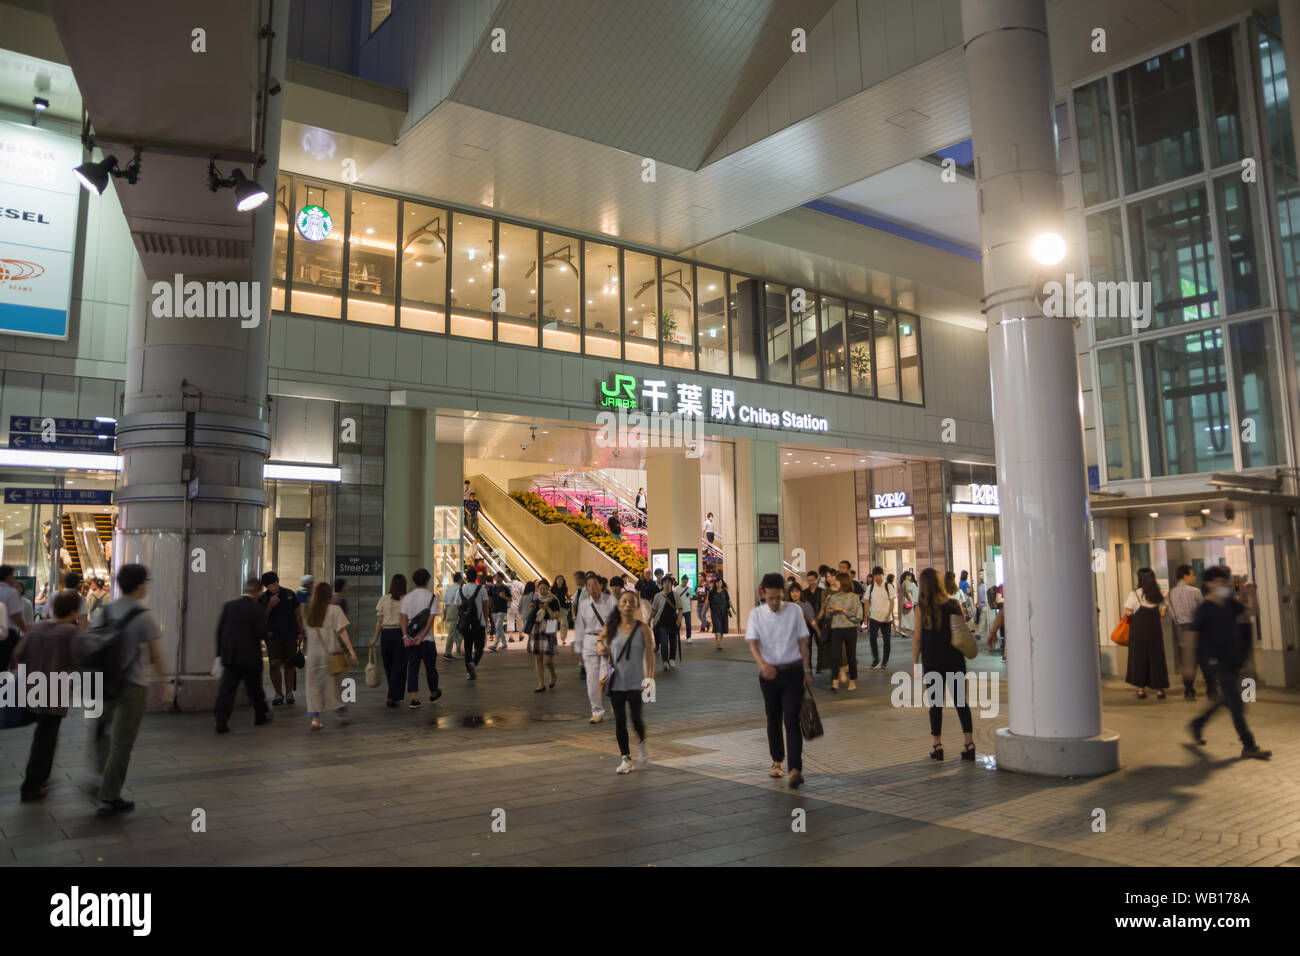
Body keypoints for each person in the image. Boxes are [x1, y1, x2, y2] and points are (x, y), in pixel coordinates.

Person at [93, 563, 168, 816]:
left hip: (103, 683)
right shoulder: (144, 615)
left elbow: (91, 646)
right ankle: (110, 795)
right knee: (122, 743)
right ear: (139, 585)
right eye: (145, 582)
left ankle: (100, 776)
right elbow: (156, 655)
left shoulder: (104, 611)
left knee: (102, 732)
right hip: (132, 686)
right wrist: (164, 684)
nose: (147, 586)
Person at [1188, 567, 1270, 759]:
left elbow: (1253, 612)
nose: (1224, 585)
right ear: (1209, 584)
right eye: (1220, 581)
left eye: (1225, 582)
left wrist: (1252, 594)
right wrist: (1189, 666)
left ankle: (1198, 723)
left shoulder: (1228, 603)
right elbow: (1191, 637)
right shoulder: (1204, 609)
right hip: (1217, 662)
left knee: (1230, 700)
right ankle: (1249, 745)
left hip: (1233, 659)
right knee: (1236, 703)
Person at [12, 589, 80, 801]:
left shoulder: (37, 627)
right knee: (45, 739)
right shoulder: (70, 632)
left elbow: (18, 654)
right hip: (53, 692)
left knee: (43, 736)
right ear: (75, 610)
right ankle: (32, 786)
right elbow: (79, 662)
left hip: (31, 688)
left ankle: (36, 781)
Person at [746, 572, 811, 789]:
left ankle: (795, 769)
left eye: (778, 597)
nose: (774, 602)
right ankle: (777, 760)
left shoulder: (794, 611)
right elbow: (753, 643)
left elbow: (803, 641)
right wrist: (762, 664)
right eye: (770, 597)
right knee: (773, 718)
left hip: (793, 672)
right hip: (769, 675)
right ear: (763, 593)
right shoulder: (756, 614)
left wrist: (806, 669)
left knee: (792, 719)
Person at [913, 567, 975, 761]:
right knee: (961, 703)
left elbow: (917, 639)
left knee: (935, 705)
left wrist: (915, 663)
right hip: (955, 660)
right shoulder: (954, 604)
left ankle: (937, 745)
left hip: (932, 662)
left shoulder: (921, 607)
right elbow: (963, 630)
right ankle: (969, 743)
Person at [597, 589, 656, 773]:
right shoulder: (612, 626)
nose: (628, 605)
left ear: (637, 605)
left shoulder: (642, 628)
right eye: (624, 601)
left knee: (636, 718)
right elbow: (600, 639)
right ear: (619, 605)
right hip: (616, 681)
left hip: (636, 681)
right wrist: (601, 647)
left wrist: (650, 677)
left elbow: (649, 653)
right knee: (620, 720)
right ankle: (626, 758)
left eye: (631, 602)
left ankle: (642, 742)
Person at [214, 578, 273, 732]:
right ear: (258, 592)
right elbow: (261, 632)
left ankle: (221, 722)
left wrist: (220, 654)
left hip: (231, 656)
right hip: (250, 657)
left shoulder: (229, 606)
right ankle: (260, 715)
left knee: (227, 691)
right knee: (254, 688)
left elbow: (220, 631)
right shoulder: (257, 608)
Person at [302, 581, 357, 730]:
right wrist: (351, 651)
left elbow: (306, 633)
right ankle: (340, 714)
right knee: (334, 687)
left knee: (312, 687)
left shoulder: (309, 611)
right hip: (330, 656)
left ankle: (314, 719)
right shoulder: (334, 610)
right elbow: (342, 631)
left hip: (313, 656)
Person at [1168, 564, 1214, 701]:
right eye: (1192, 574)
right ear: (1185, 576)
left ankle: (1189, 690)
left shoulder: (1170, 593)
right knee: (1204, 660)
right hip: (1197, 629)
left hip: (1181, 630)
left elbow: (1171, 614)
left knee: (1188, 663)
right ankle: (1211, 690)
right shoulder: (1195, 591)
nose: (1193, 577)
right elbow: (1203, 610)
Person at [575, 573, 616, 723]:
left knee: (607, 676)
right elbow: (579, 627)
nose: (592, 588)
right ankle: (597, 711)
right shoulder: (584, 604)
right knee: (592, 679)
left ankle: (614, 703)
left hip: (607, 641)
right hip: (589, 642)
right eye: (589, 585)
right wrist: (578, 648)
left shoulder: (610, 601)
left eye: (594, 584)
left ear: (601, 585)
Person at [1125, 567, 1170, 700]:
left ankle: (1140, 690)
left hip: (1139, 632)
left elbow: (1128, 612)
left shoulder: (1135, 594)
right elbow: (1162, 613)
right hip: (1154, 631)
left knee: (1140, 658)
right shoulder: (1158, 595)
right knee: (1157, 658)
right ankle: (1160, 691)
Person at [259, 571, 301, 706]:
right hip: (272, 636)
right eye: (269, 585)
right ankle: (278, 693)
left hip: (290, 634)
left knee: (290, 663)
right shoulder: (264, 598)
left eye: (274, 583)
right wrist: (270, 605)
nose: (273, 587)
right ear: (266, 586)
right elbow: (262, 617)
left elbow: (297, 613)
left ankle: (289, 693)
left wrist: (301, 632)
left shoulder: (289, 594)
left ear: (278, 581)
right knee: (274, 664)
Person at [399, 568, 441, 707]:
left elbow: (403, 619)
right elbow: (430, 620)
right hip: (427, 640)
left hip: (411, 640)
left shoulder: (407, 598)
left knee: (412, 667)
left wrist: (406, 636)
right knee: (430, 667)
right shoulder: (433, 597)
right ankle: (433, 693)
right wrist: (422, 636)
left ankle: (414, 698)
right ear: (428, 581)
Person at [823, 573, 863, 692]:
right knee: (835, 656)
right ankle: (834, 680)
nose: (835, 582)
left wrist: (841, 609)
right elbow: (827, 614)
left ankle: (852, 681)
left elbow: (858, 616)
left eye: (837, 581)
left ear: (844, 582)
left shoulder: (854, 597)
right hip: (836, 628)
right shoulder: (834, 597)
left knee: (851, 655)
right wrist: (829, 611)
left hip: (850, 628)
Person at [375, 574, 408, 707]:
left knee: (388, 665)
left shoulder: (384, 599)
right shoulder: (405, 600)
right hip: (400, 633)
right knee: (399, 667)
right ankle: (394, 695)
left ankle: (392, 694)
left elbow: (380, 621)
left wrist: (374, 638)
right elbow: (406, 620)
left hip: (386, 634)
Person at [525, 577, 563, 691]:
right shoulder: (536, 600)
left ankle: (553, 675)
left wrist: (547, 608)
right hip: (537, 628)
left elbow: (555, 616)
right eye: (540, 589)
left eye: (545, 588)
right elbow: (533, 615)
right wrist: (532, 609)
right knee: (538, 658)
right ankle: (541, 684)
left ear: (548, 588)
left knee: (547, 659)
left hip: (549, 627)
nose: (542, 591)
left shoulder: (553, 600)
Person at [454, 567, 490, 680]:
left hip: (466, 624)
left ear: (466, 577)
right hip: (478, 623)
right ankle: (474, 663)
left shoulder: (461, 590)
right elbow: (485, 607)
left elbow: (458, 606)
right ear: (476, 577)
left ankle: (469, 673)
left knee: (468, 648)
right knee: (480, 646)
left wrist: (464, 617)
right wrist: (486, 621)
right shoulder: (482, 589)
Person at [650, 575, 683, 671]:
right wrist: (649, 620)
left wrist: (679, 619)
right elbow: (653, 610)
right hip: (661, 623)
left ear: (672, 584)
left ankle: (672, 658)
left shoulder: (676, 595)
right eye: (665, 582)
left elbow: (680, 609)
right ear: (662, 584)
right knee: (663, 642)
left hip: (673, 622)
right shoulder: (658, 596)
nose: (667, 584)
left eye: (669, 582)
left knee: (673, 641)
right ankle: (665, 660)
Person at [866, 566, 895, 669]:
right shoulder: (870, 587)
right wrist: (866, 617)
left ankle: (885, 661)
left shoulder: (888, 586)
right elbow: (866, 601)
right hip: (874, 617)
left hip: (886, 618)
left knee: (886, 640)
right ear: (873, 576)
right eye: (875, 575)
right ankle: (876, 658)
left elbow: (892, 601)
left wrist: (889, 614)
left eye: (879, 575)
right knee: (872, 637)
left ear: (882, 575)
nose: (877, 577)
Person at [0, 565, 28, 670]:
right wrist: (25, 630)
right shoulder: (11, 592)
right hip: (6, 634)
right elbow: (15, 616)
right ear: (8, 576)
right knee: (4, 663)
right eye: (13, 575)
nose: (14, 578)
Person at [443, 571, 464, 659]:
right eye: (462, 579)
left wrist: (445, 613)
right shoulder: (459, 588)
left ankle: (459, 648)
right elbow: (460, 602)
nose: (463, 580)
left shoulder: (449, 588)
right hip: (456, 609)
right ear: (459, 579)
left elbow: (446, 602)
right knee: (453, 631)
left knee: (456, 630)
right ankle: (447, 652)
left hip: (449, 609)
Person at [708, 576, 732, 651]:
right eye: (717, 582)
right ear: (715, 583)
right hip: (715, 611)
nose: (719, 584)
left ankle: (720, 642)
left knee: (722, 627)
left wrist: (733, 609)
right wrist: (704, 611)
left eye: (720, 582)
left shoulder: (725, 591)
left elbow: (728, 600)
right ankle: (718, 641)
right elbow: (708, 602)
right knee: (717, 625)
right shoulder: (711, 592)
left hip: (724, 611)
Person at [488, 572, 511, 652]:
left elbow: (510, 599)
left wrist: (504, 597)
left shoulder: (505, 588)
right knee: (499, 627)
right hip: (494, 609)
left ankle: (495, 645)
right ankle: (504, 644)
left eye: (499, 577)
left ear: (502, 578)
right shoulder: (492, 587)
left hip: (502, 609)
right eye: (496, 577)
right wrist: (489, 608)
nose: (497, 578)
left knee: (498, 626)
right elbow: (490, 598)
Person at [897, 570, 918, 638]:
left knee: (904, 616)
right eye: (910, 576)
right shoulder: (907, 582)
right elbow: (908, 592)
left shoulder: (903, 582)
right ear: (907, 576)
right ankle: (904, 630)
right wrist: (911, 600)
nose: (910, 577)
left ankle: (903, 630)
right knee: (908, 616)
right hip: (907, 601)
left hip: (903, 601)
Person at [552, 574, 571, 646]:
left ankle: (563, 638)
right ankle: (552, 638)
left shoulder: (565, 588)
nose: (560, 581)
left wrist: (569, 597)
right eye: (558, 579)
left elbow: (567, 595)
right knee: (553, 623)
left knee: (564, 623)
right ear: (556, 581)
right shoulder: (553, 589)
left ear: (563, 581)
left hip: (563, 607)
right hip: (554, 608)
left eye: (561, 579)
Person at [506, 570, 525, 638]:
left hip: (510, 605)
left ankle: (511, 636)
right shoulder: (520, 584)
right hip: (518, 605)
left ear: (510, 576)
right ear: (516, 576)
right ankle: (520, 635)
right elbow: (524, 593)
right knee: (519, 620)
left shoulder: (507, 585)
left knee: (510, 620)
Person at [675, 575, 693, 643]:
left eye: (686, 580)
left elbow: (690, 599)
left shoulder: (689, 589)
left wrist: (690, 608)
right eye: (684, 580)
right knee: (678, 624)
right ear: (681, 580)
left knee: (688, 624)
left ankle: (688, 637)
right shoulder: (676, 589)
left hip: (687, 609)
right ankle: (676, 636)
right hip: (679, 609)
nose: (685, 581)